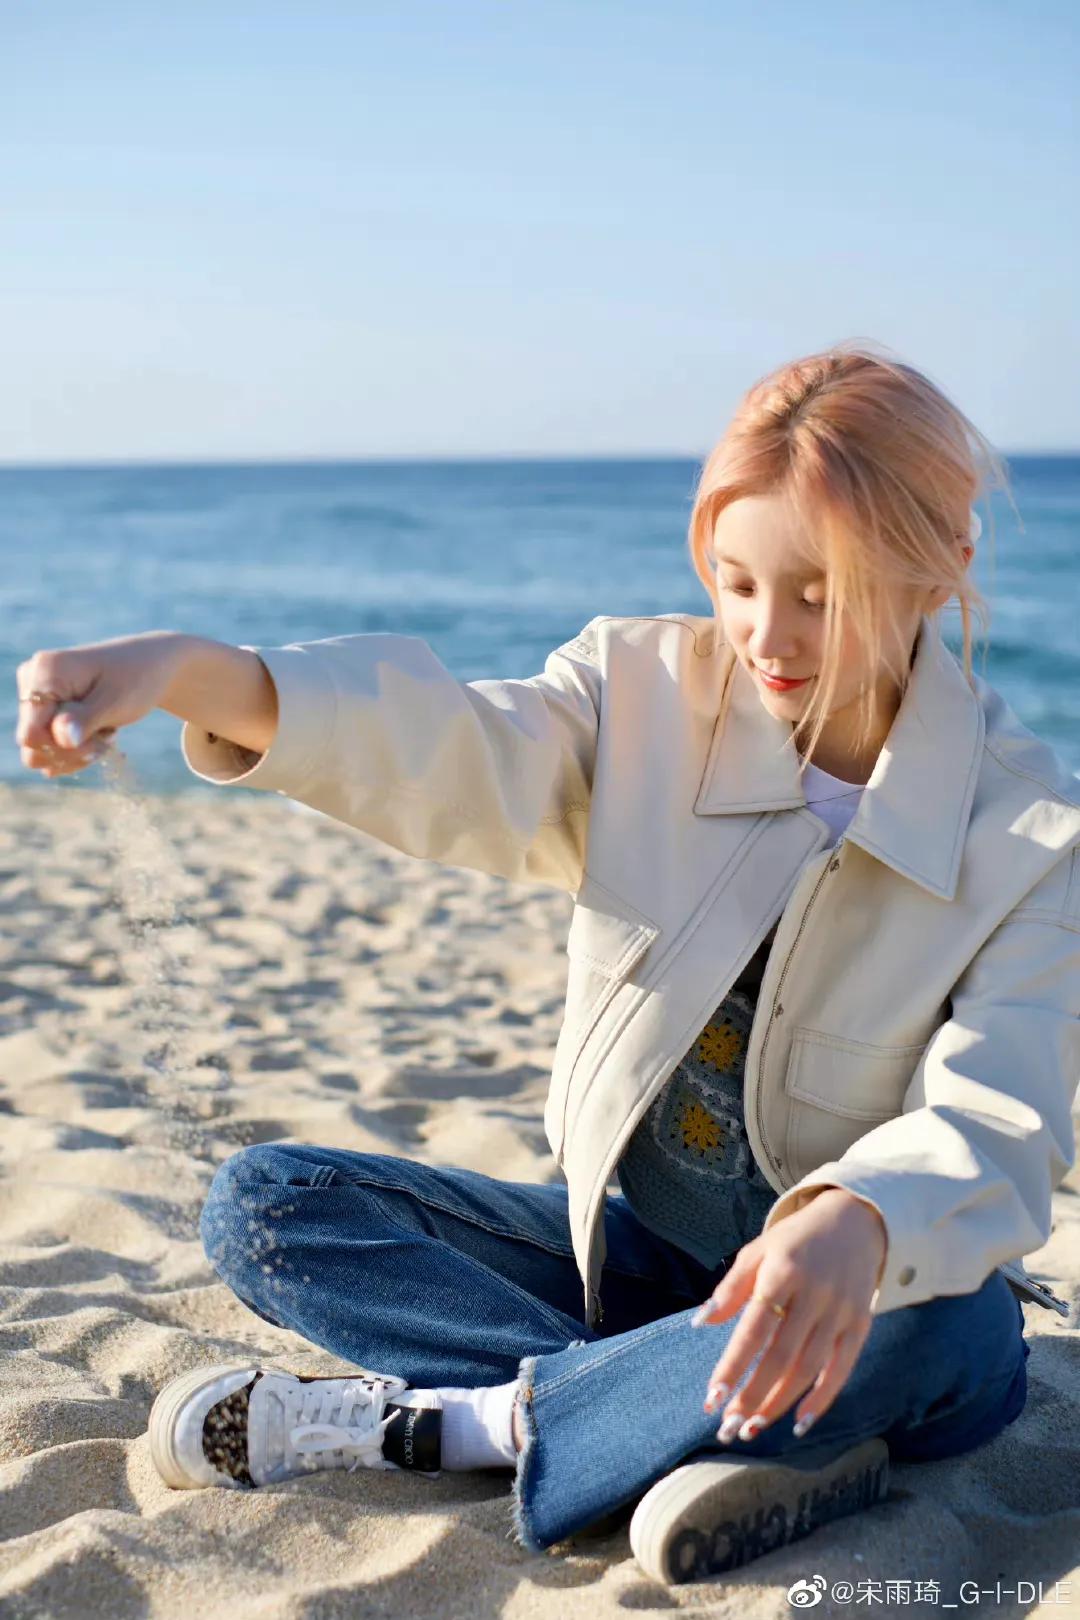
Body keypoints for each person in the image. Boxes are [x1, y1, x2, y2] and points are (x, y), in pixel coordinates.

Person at [15, 341, 1079, 1587]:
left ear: (943, 561)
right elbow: (447, 747)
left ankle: (473, 1427)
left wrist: (860, 1219)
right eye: (737, 582)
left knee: (954, 1334)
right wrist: (192, 672)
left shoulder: (1033, 838)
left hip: (873, 1293)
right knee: (269, 1206)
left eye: (820, 592)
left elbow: (997, 1116)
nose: (766, 635)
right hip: (632, 1274)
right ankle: (668, 1427)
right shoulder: (639, 692)